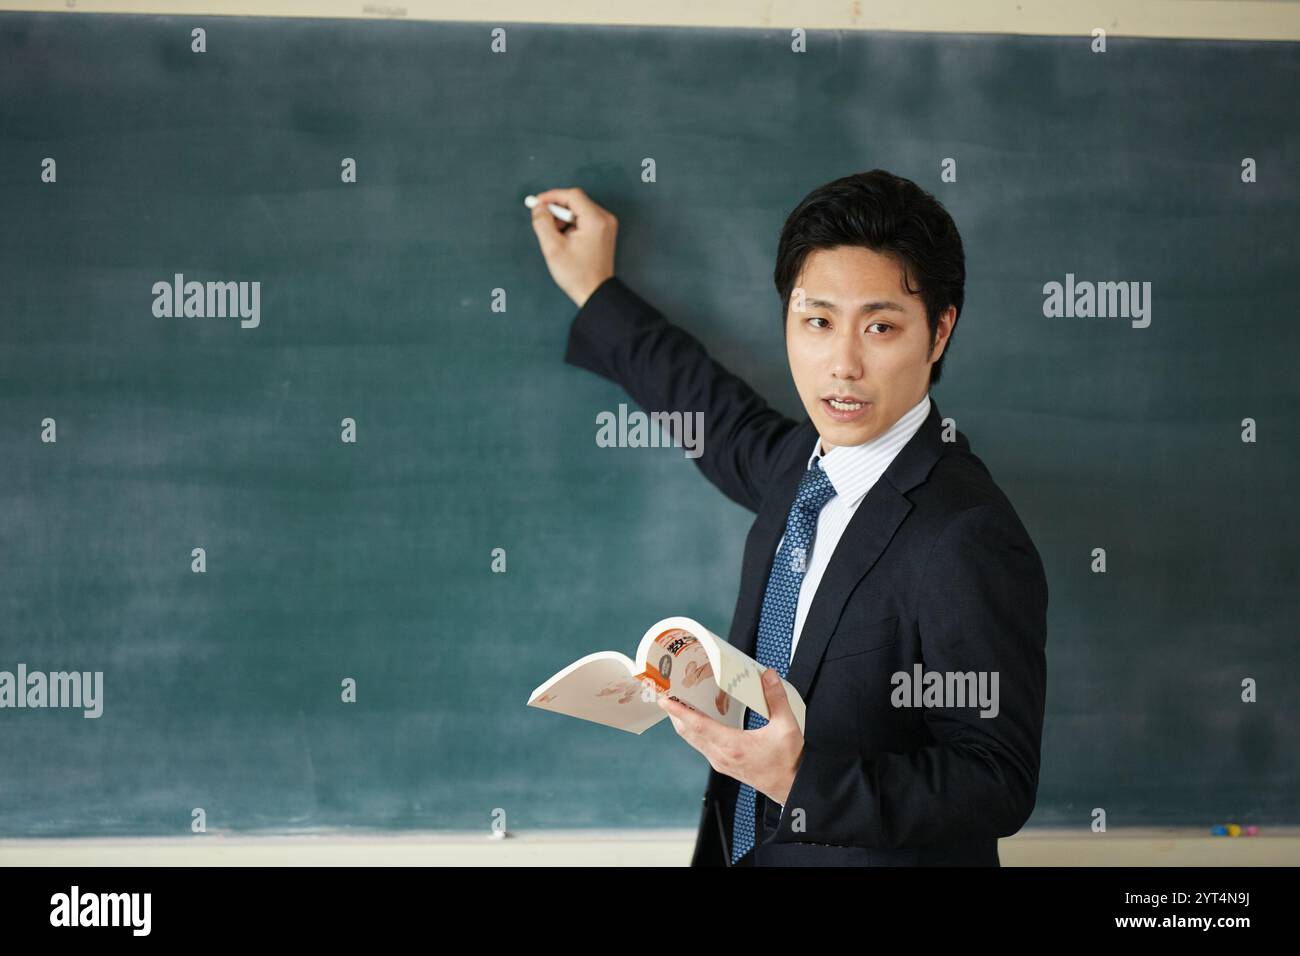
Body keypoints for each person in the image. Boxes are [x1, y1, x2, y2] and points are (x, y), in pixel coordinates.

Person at [529, 170, 1048, 866]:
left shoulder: (965, 533)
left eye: (882, 326)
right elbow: (706, 405)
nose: (843, 363)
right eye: (818, 321)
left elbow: (997, 780)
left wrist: (802, 781)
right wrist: (594, 288)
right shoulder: (801, 466)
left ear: (939, 331)